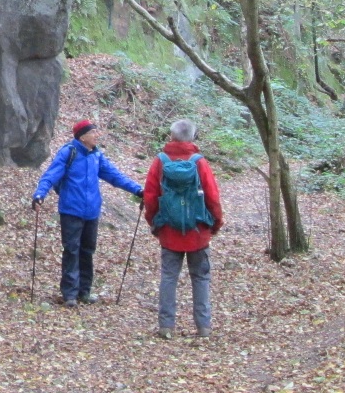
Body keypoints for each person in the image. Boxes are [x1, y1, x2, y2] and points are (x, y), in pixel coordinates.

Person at [32, 119, 144, 308]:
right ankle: (69, 294)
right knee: (71, 250)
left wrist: (138, 190)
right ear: (83, 137)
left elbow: (115, 176)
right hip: (71, 210)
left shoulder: (96, 156)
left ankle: (84, 291)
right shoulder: (69, 152)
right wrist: (39, 194)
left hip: (91, 212)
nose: (96, 135)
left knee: (87, 251)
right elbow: (50, 175)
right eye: (93, 132)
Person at [143, 119, 223, 339]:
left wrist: (154, 223)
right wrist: (215, 223)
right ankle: (203, 327)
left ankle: (166, 326)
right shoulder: (199, 162)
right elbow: (212, 196)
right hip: (198, 231)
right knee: (200, 278)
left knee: (169, 277)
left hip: (169, 230)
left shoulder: (160, 161)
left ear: (171, 136)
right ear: (193, 137)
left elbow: (150, 197)